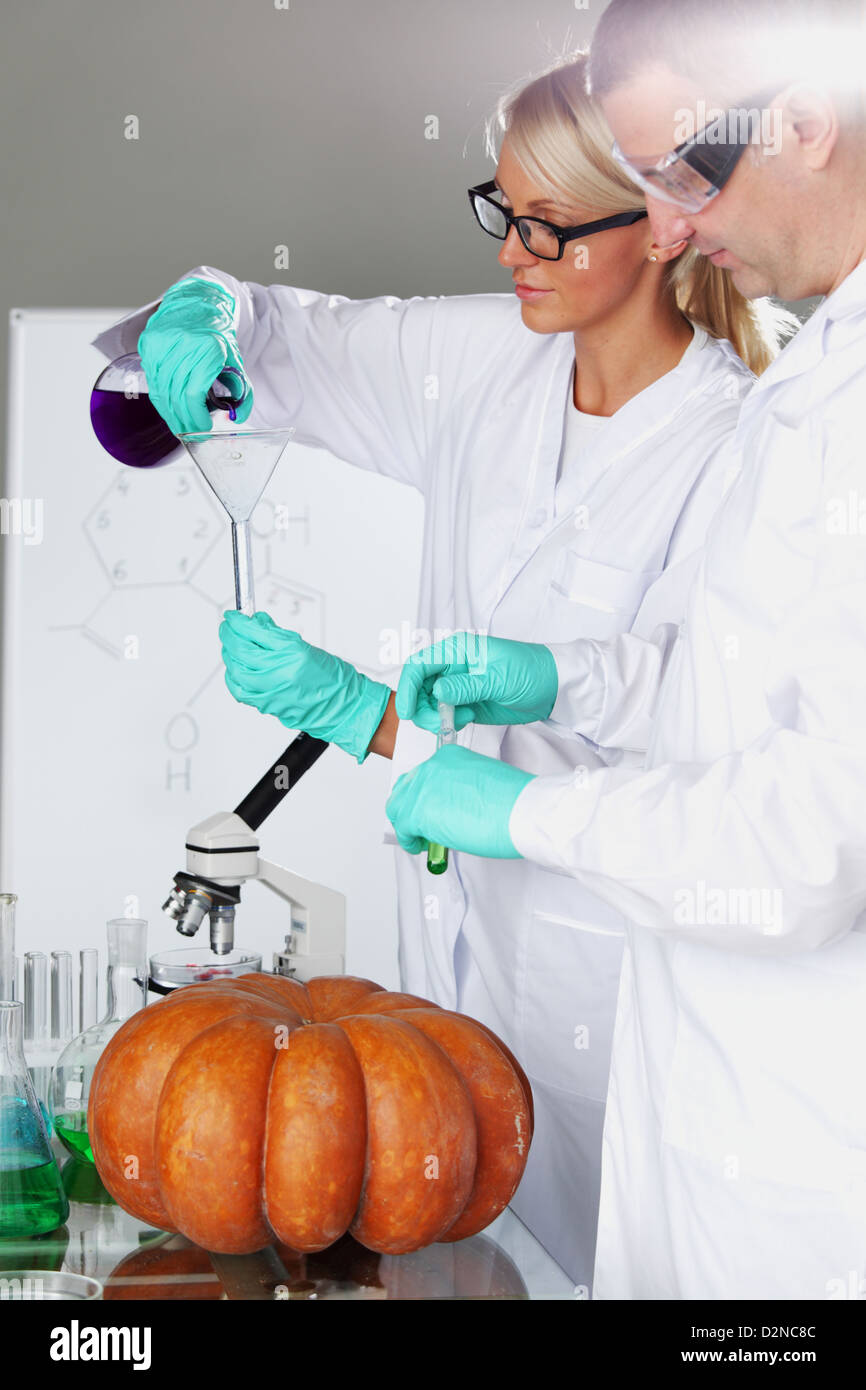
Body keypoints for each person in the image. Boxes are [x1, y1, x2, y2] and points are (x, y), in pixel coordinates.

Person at [93, 52, 790, 1288]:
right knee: (446, 1247)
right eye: (499, 207)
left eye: (548, 224)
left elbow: (685, 765)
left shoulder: (740, 446)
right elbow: (272, 333)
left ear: (659, 227)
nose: (511, 249)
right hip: (438, 1006)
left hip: (614, 1001)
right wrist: (196, 324)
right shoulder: (483, 361)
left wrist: (362, 717)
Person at [385, 0, 866, 1299]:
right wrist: (565, 678)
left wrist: (533, 811)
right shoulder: (819, 373)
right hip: (714, 1118)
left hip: (806, 1167)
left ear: (801, 123)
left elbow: (809, 841)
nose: (665, 233)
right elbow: (736, 691)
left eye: (672, 176)